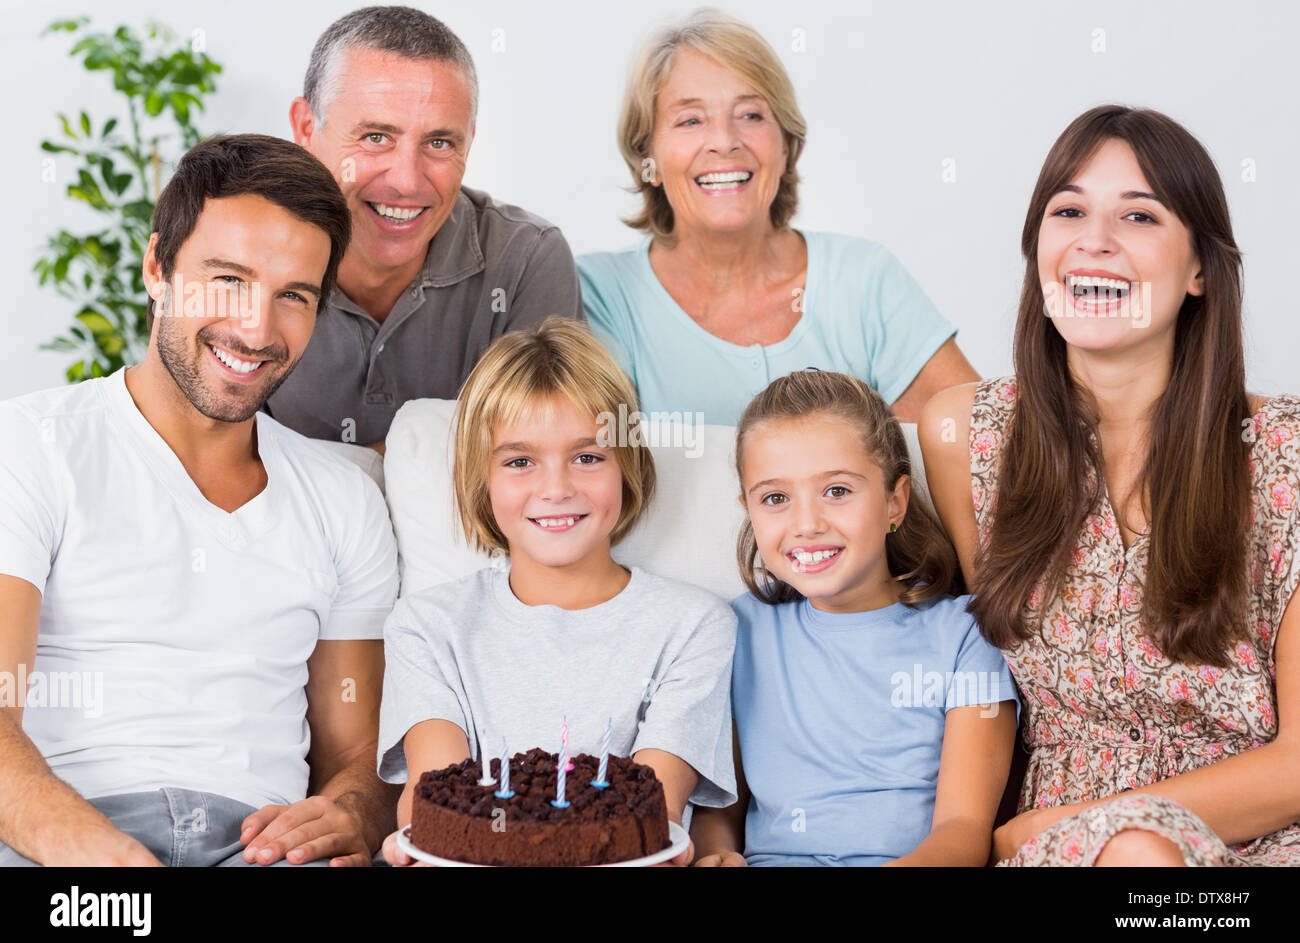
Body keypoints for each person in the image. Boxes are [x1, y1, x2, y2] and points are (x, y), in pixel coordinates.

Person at [0, 134, 400, 867]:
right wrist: (92, 853)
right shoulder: (31, 446)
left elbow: (357, 754)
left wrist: (352, 811)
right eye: (228, 280)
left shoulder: (345, 499)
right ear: (158, 268)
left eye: (293, 296)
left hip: (259, 846)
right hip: (59, 837)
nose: (256, 329)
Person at [920, 105, 1300, 866]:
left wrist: (1087, 821)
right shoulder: (966, 435)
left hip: (1253, 844)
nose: (1093, 240)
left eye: (1139, 215)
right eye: (1068, 211)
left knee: (1138, 856)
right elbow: (988, 674)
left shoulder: (1283, 451)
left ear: (1200, 270)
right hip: (1063, 857)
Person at [376, 318, 736, 866]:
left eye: (587, 457)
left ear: (627, 467)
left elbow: (650, 816)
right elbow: (436, 802)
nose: (556, 488)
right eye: (520, 461)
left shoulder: (694, 626)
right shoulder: (425, 627)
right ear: (481, 480)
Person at [577, 9, 977, 428]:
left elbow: (978, 445)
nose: (724, 142)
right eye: (690, 120)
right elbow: (587, 457)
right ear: (648, 158)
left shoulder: (863, 280)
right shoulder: (598, 295)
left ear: (786, 146)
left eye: (751, 115)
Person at [691, 370, 1017, 866]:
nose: (807, 524)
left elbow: (964, 831)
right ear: (749, 510)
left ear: (894, 502)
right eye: (776, 499)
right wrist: (716, 853)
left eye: (837, 491)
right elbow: (721, 810)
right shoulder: (738, 631)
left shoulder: (965, 636)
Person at [268, 5, 583, 452]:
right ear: (306, 127)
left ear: (469, 142)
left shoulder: (526, 259)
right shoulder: (245, 254)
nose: (407, 182)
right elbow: (212, 455)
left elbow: (537, 455)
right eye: (376, 137)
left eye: (439, 142)